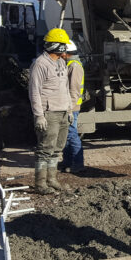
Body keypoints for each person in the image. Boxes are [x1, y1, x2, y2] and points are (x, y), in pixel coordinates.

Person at [28, 28, 73, 195]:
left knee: (57, 148)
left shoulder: (61, 63)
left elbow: (65, 88)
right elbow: (34, 91)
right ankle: (40, 183)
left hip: (62, 112)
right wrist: (39, 115)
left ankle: (52, 179)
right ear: (57, 46)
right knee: (45, 148)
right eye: (63, 45)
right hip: (49, 113)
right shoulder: (40, 64)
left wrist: (69, 109)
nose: (66, 48)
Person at [59, 41, 85, 173]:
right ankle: (67, 161)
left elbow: (74, 91)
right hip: (68, 106)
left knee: (71, 134)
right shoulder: (69, 64)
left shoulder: (74, 66)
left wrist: (69, 109)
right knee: (66, 135)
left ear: (66, 52)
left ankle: (78, 163)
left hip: (71, 107)